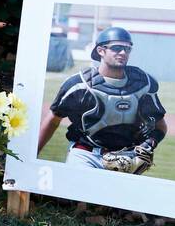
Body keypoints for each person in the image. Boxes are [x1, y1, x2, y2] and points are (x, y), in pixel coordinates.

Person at [38, 26, 167, 173]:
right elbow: (53, 120)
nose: (123, 52)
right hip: (86, 155)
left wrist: (149, 144)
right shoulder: (78, 85)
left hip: (128, 158)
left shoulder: (143, 83)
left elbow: (160, 126)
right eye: (117, 48)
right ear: (101, 51)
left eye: (128, 49)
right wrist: (31, 157)